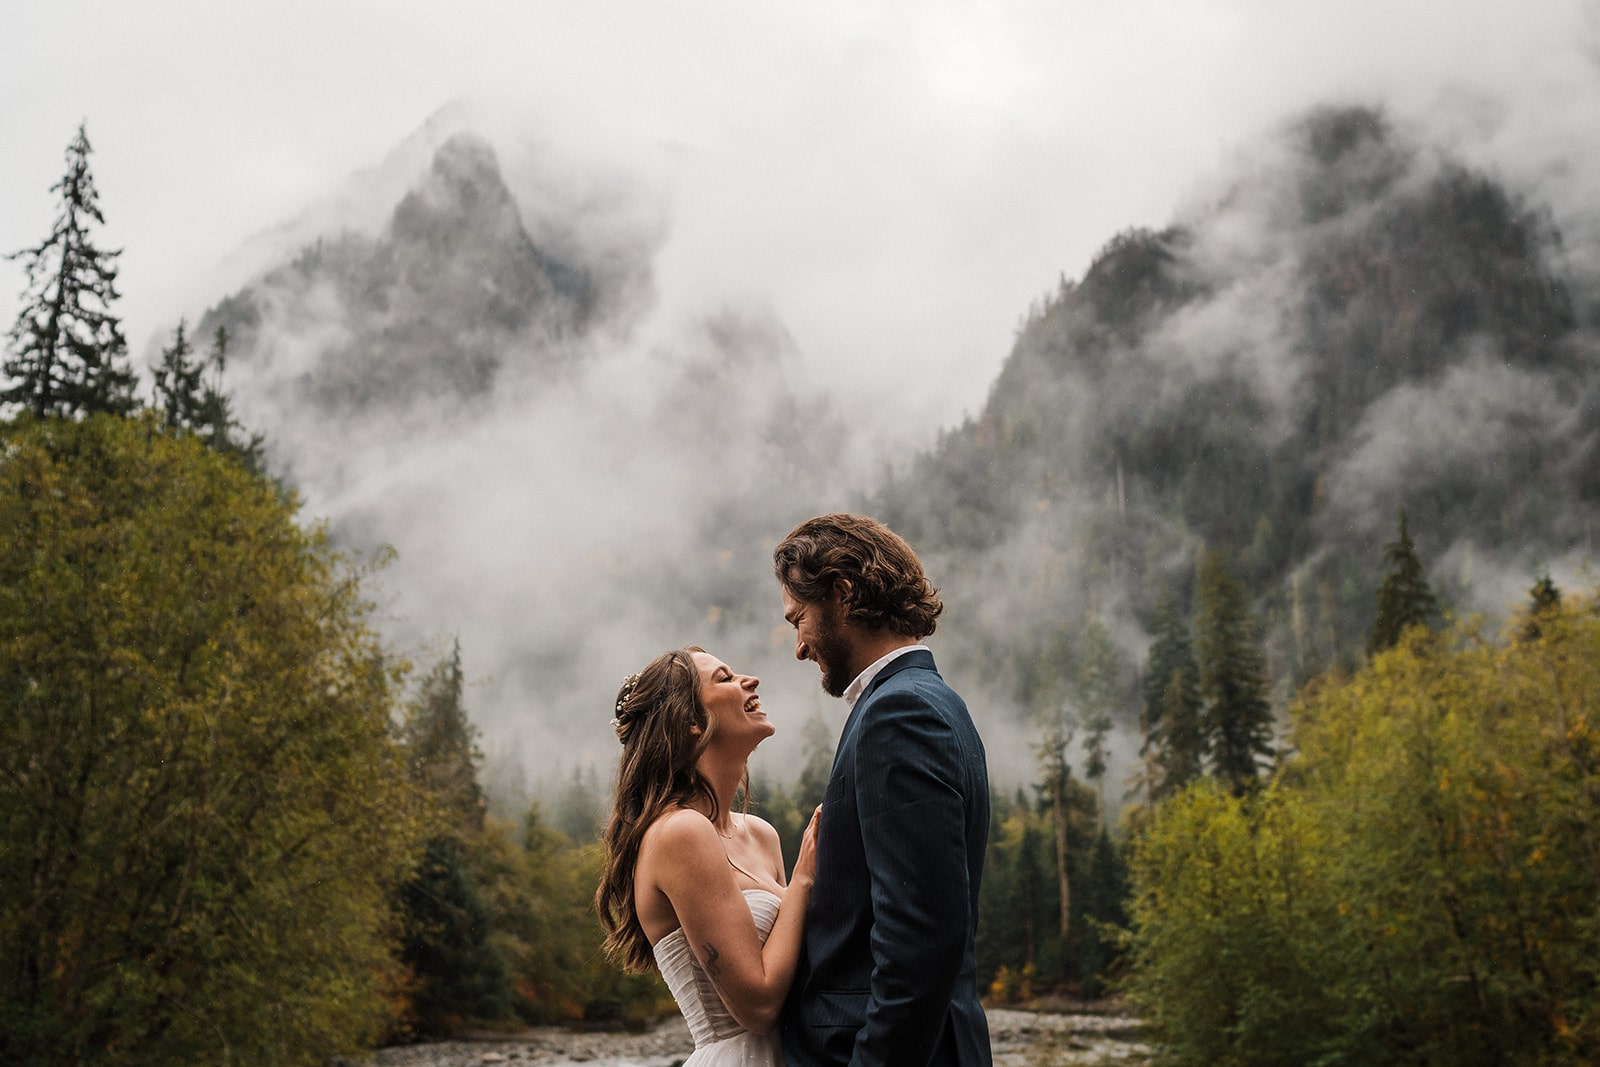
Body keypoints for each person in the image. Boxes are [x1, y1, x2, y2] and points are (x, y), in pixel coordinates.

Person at [774, 514, 992, 1067]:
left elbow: (921, 939)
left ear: (842, 594)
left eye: (798, 618)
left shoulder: (900, 711)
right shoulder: (929, 699)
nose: (799, 648)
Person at [596, 645, 820, 1066]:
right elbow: (757, 1008)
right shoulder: (680, 833)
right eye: (725, 677)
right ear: (691, 723)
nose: (749, 681)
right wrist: (804, 882)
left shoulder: (760, 835)